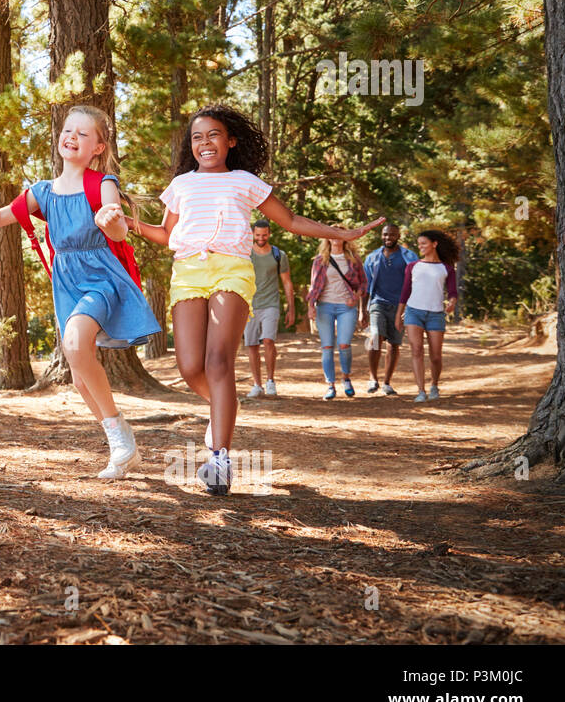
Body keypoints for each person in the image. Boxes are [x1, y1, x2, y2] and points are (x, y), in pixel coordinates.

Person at [123, 105, 382, 495]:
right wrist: (128, 224)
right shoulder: (180, 186)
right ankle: (223, 409)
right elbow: (164, 235)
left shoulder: (245, 181)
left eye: (213, 135)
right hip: (188, 271)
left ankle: (220, 460)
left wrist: (340, 233)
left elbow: (291, 221)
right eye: (197, 137)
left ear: (230, 141)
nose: (205, 143)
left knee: (217, 361)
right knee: (190, 366)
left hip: (231, 268)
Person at [0, 106, 162, 479]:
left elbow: (119, 229)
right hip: (67, 283)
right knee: (78, 374)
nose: (71, 136)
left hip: (101, 277)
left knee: (74, 345)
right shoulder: (42, 192)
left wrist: (112, 222)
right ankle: (121, 441)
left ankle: (121, 441)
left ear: (98, 146)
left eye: (83, 133)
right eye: (67, 129)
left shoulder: (102, 183)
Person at [396, 229, 460, 402]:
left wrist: (452, 302)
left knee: (436, 355)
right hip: (413, 312)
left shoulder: (446, 268)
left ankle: (434, 386)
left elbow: (453, 291)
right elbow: (405, 292)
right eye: (419, 244)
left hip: (436, 314)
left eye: (424, 243)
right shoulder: (413, 266)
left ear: (434, 244)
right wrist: (398, 314)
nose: (420, 247)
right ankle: (421, 391)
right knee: (416, 350)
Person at [305, 237, 367, 400]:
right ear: (327, 239)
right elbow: (313, 286)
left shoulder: (353, 259)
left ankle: (346, 378)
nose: (336, 238)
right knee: (327, 347)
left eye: (340, 234)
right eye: (332, 234)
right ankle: (330, 385)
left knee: (344, 344)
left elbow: (363, 284)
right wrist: (311, 306)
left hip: (346, 307)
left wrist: (356, 297)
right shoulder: (320, 260)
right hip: (324, 306)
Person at [363, 223, 418, 395]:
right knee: (375, 338)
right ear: (382, 235)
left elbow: (417, 282)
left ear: (398, 236)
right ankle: (373, 379)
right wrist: (361, 311)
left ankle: (387, 382)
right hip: (377, 303)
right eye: (386, 235)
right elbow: (365, 286)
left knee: (394, 344)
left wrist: (411, 307)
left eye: (392, 235)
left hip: (400, 306)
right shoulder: (372, 257)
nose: (388, 238)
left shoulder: (409, 257)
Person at [242, 219, 295, 398]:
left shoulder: (278, 255)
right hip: (249, 306)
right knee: (251, 345)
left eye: (264, 235)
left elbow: (287, 283)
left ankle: (270, 381)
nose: (261, 238)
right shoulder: (245, 254)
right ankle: (257, 384)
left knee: (268, 341)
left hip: (271, 304)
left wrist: (291, 308)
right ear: (253, 234)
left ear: (269, 234)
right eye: (258, 235)